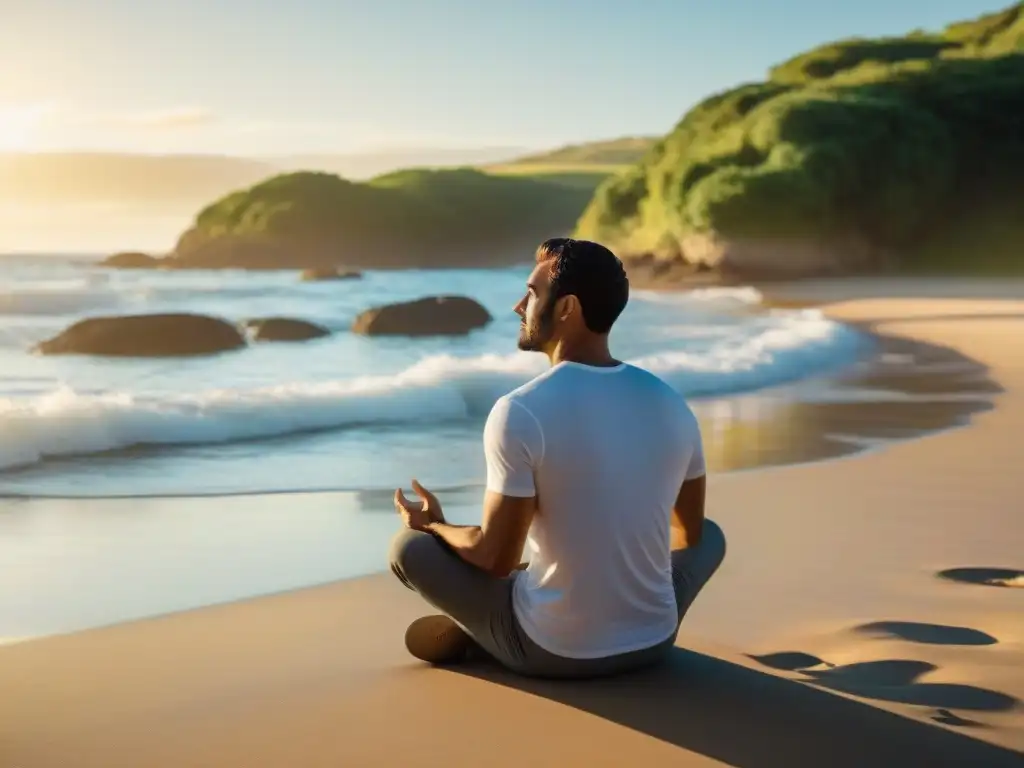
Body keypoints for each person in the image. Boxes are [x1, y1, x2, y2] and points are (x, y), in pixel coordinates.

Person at [389, 237, 725, 679]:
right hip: (654, 639)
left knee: (409, 548)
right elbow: (689, 534)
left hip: (557, 651)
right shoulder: (671, 402)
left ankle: (488, 637)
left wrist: (433, 524)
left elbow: (495, 559)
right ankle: (598, 602)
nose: (517, 306)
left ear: (566, 308)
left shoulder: (521, 410)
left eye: (531, 293)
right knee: (713, 535)